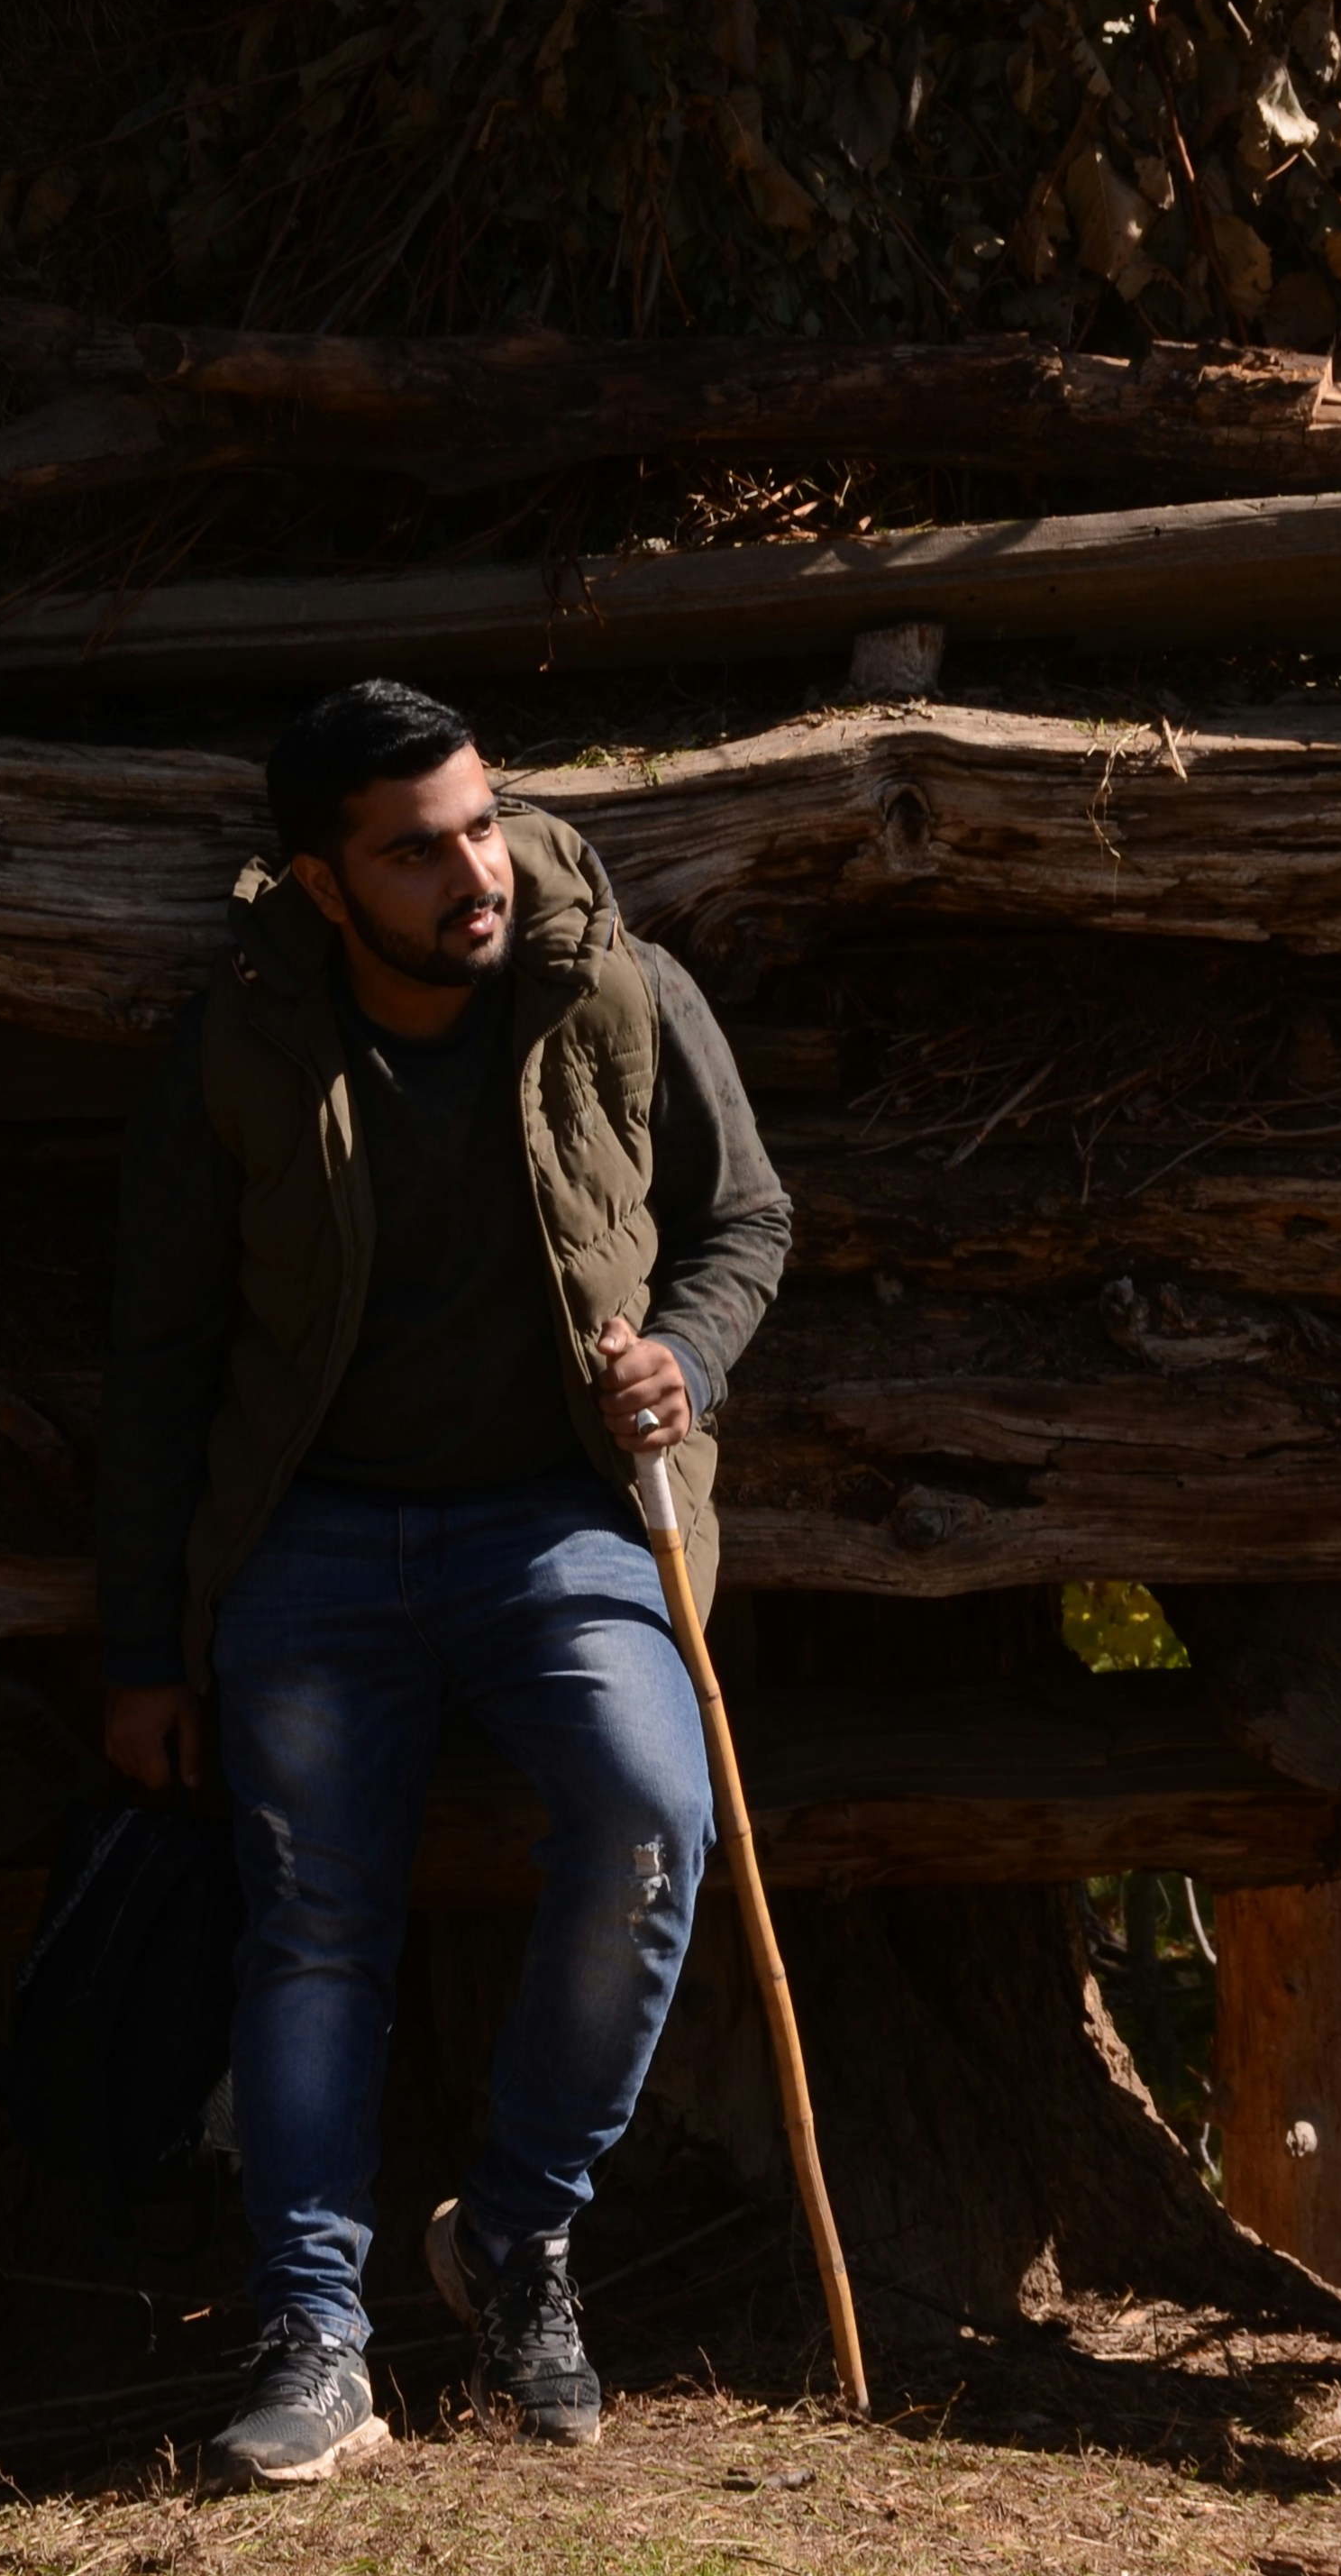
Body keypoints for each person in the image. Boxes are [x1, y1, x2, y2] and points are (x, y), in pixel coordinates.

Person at [97, 677, 794, 2489]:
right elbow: (162, 1354)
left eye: (479, 825)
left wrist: (688, 1361)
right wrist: (149, 1648)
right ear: (323, 884)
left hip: (563, 1521)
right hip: (311, 1535)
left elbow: (747, 1222)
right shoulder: (242, 1041)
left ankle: (512, 2238)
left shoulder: (613, 983)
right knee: (312, 1925)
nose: (468, 873)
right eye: (413, 852)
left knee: (653, 1820)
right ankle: (315, 2335)